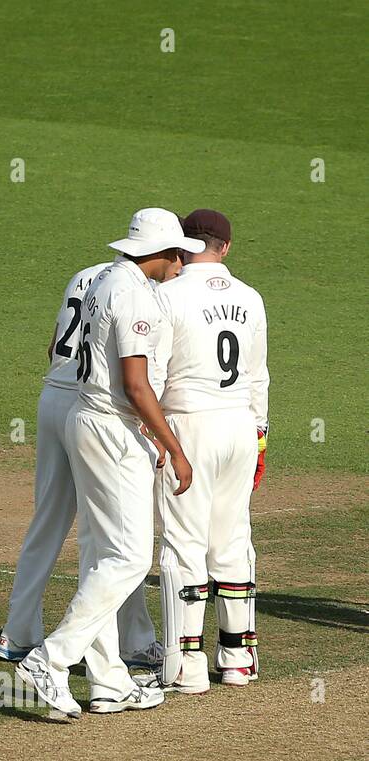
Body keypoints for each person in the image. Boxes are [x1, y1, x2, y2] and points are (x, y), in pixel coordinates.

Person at [17, 208, 202, 719]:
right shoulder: (134, 295)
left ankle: (109, 683)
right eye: (178, 253)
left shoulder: (102, 279)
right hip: (111, 428)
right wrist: (174, 447)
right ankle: (51, 659)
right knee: (129, 559)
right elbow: (136, 385)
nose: (182, 261)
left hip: (88, 417)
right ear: (159, 252)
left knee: (102, 557)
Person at [0, 264, 159, 666]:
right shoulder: (136, 288)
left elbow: (53, 347)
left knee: (49, 521)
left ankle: (17, 632)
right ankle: (131, 641)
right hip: (93, 406)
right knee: (115, 534)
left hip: (53, 397)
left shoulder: (87, 276)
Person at [155, 209, 269, 692]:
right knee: (231, 538)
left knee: (185, 542)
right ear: (226, 247)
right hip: (239, 424)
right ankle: (238, 657)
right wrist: (260, 438)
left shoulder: (167, 294)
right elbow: (259, 376)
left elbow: (153, 373)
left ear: (184, 244)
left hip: (187, 425)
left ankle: (187, 664)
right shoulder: (250, 297)